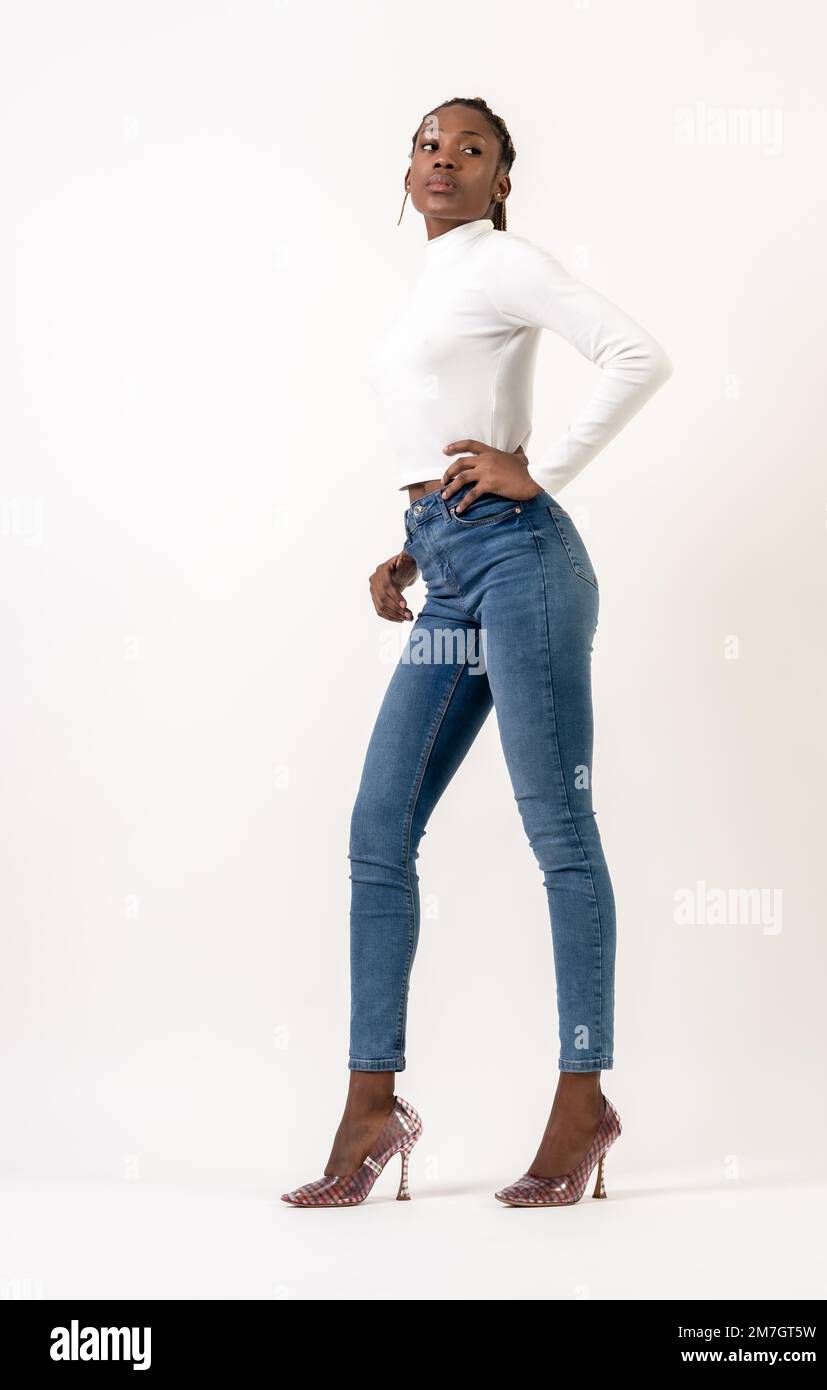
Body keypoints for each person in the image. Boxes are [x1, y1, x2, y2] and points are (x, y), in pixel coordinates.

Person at [281, 96, 672, 1208]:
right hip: (451, 567)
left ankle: (582, 1098)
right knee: (378, 829)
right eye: (426, 144)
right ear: (405, 169)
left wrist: (538, 470)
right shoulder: (432, 285)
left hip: (524, 565)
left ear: (502, 179)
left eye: (470, 148)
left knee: (557, 828)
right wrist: (414, 548)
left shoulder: (502, 260)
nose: (441, 159)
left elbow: (638, 354)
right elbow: (440, 430)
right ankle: (371, 1106)